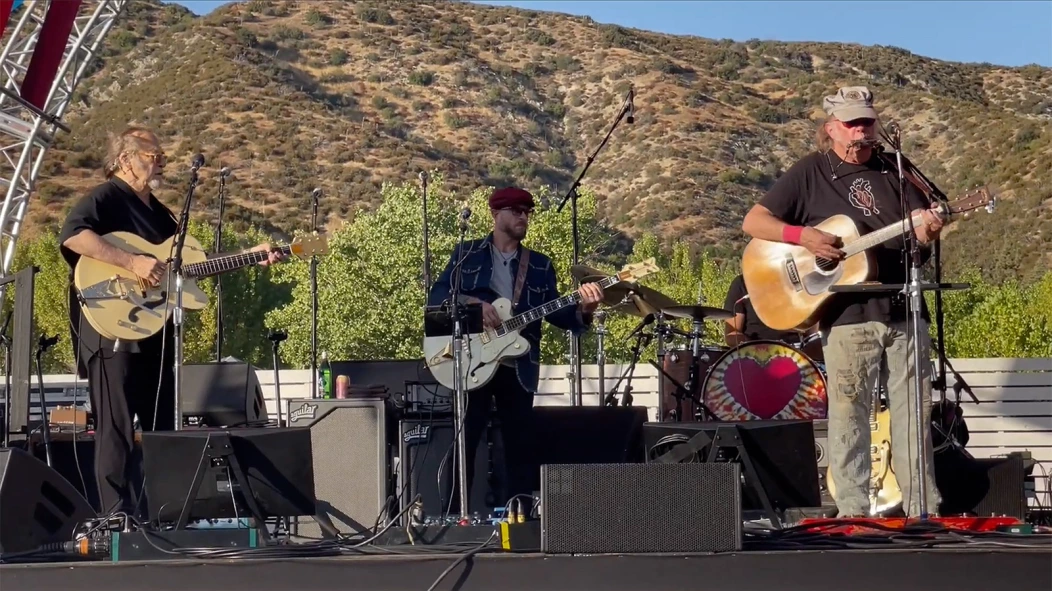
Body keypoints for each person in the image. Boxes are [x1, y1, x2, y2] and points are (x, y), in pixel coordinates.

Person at [741, 86, 945, 517]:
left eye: (867, 122)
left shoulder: (899, 171)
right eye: (851, 123)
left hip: (904, 307)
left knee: (913, 413)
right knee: (850, 412)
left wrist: (927, 232)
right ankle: (852, 511)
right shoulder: (810, 172)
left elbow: (918, 246)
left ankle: (922, 510)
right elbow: (754, 221)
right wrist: (805, 236)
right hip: (847, 314)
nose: (860, 130)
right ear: (830, 128)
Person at [58, 123, 282, 515]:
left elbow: (185, 268)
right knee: (117, 429)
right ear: (124, 160)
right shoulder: (106, 197)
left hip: (154, 328)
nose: (161, 162)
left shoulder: (160, 213)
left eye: (162, 156)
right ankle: (115, 521)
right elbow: (75, 236)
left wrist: (252, 253)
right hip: (112, 326)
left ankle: (161, 515)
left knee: (162, 425)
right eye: (152, 156)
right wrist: (131, 261)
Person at [427, 187, 603, 510]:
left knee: (520, 446)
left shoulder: (538, 265)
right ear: (496, 215)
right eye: (516, 210)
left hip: (518, 367)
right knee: (464, 441)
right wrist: (473, 305)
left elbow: (557, 313)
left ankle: (519, 518)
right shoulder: (466, 254)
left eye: (527, 211)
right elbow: (437, 298)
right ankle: (452, 519)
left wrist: (585, 309)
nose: (524, 216)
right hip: (472, 360)